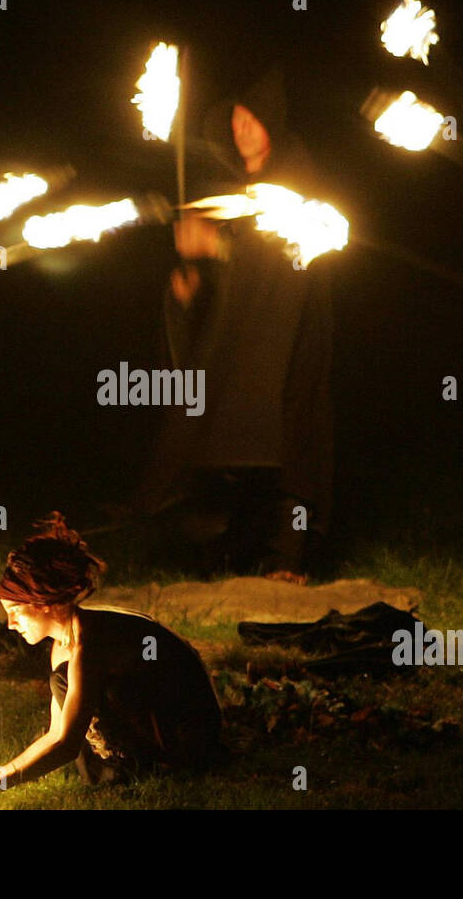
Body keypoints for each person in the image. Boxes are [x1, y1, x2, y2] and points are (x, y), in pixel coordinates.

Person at [133, 68, 334, 581]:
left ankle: (291, 558)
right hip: (241, 340)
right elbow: (235, 280)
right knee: (216, 428)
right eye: (236, 121)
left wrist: (217, 245)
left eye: (252, 120)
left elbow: (281, 257)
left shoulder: (297, 176)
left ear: (273, 124)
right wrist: (192, 288)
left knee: (290, 437)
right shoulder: (233, 189)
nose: (242, 130)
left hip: (292, 334)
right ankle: (220, 552)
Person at [0, 512, 225, 789]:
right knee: (62, 683)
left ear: (42, 603)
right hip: (160, 724)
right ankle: (128, 763)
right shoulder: (64, 644)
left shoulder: (89, 643)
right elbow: (57, 731)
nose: (10, 625)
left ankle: (145, 767)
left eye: (15, 612)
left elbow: (65, 743)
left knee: (68, 689)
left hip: (187, 739)